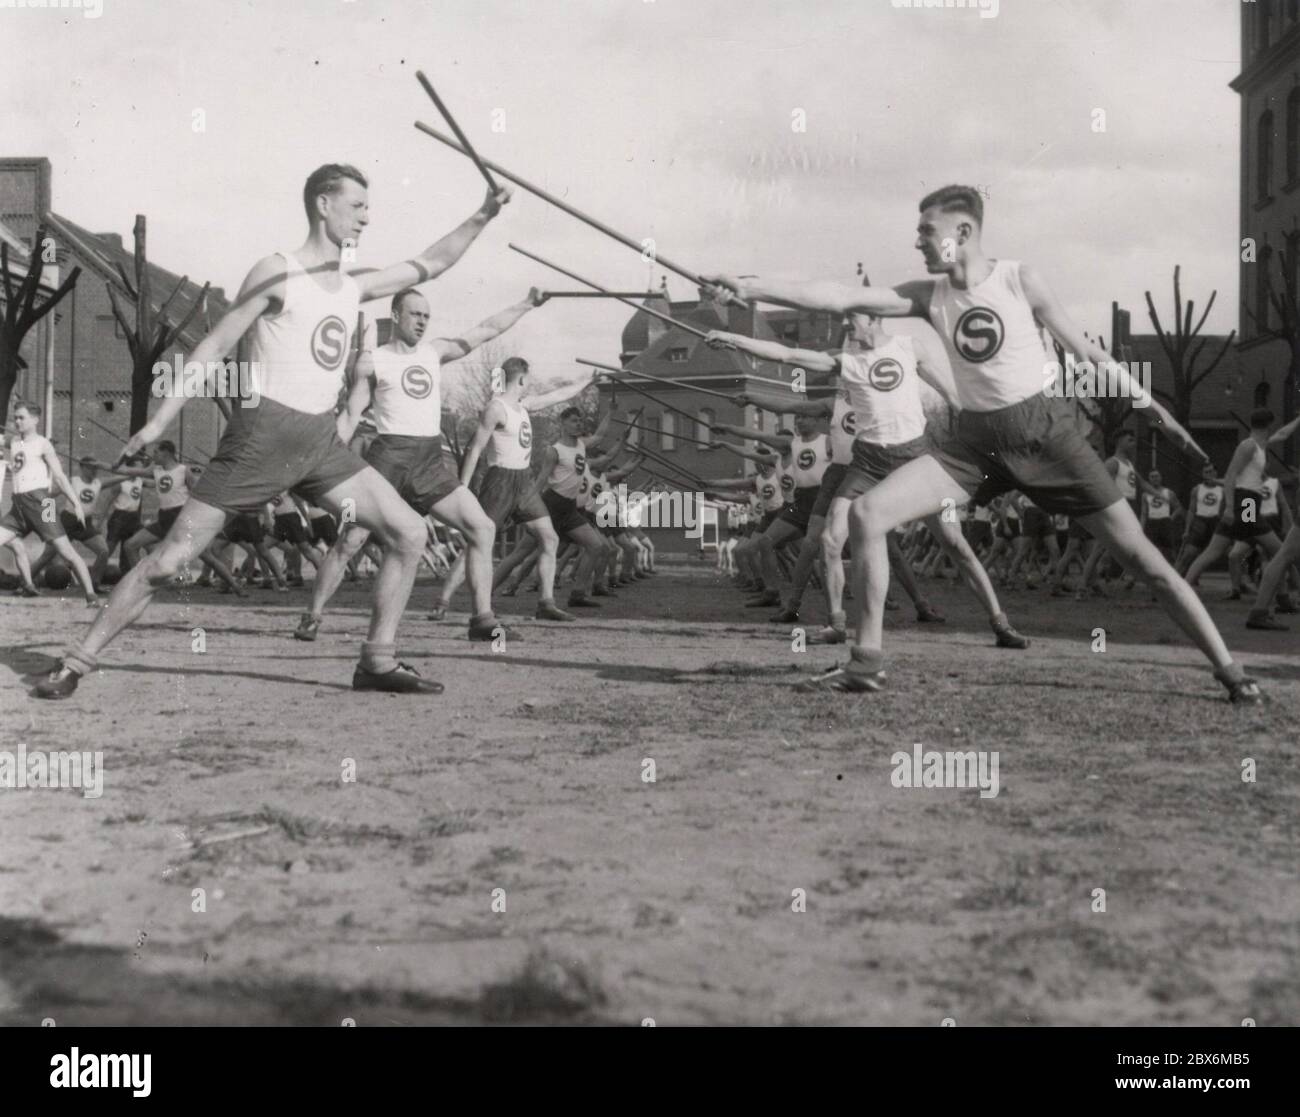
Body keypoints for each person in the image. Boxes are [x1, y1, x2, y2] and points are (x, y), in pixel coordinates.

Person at [705, 183, 1259, 701]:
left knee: (1145, 560)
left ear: (963, 232)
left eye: (927, 230)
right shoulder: (928, 295)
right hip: (975, 448)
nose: (918, 240)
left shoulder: (1021, 279)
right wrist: (749, 286)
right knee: (868, 515)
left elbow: (1091, 355)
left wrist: (1154, 408)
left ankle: (1230, 669)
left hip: (1047, 439)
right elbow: (838, 296)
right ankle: (865, 663)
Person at [35, 163, 511, 699]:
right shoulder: (277, 271)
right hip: (260, 440)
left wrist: (484, 214)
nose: (366, 218)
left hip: (320, 443)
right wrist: (159, 421)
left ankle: (377, 661)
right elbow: (213, 347)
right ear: (322, 204)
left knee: (408, 531)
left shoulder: (355, 285)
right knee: (169, 562)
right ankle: (75, 662)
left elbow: (432, 263)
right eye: (357, 206)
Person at [0, 402, 100, 605]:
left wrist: (77, 503)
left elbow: (61, 477)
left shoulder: (43, 444)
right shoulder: (14, 441)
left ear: (35, 420)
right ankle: (28, 586)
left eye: (22, 417)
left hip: (42, 504)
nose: (17, 421)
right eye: (15, 418)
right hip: (18, 505)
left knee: (66, 551)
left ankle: (91, 595)